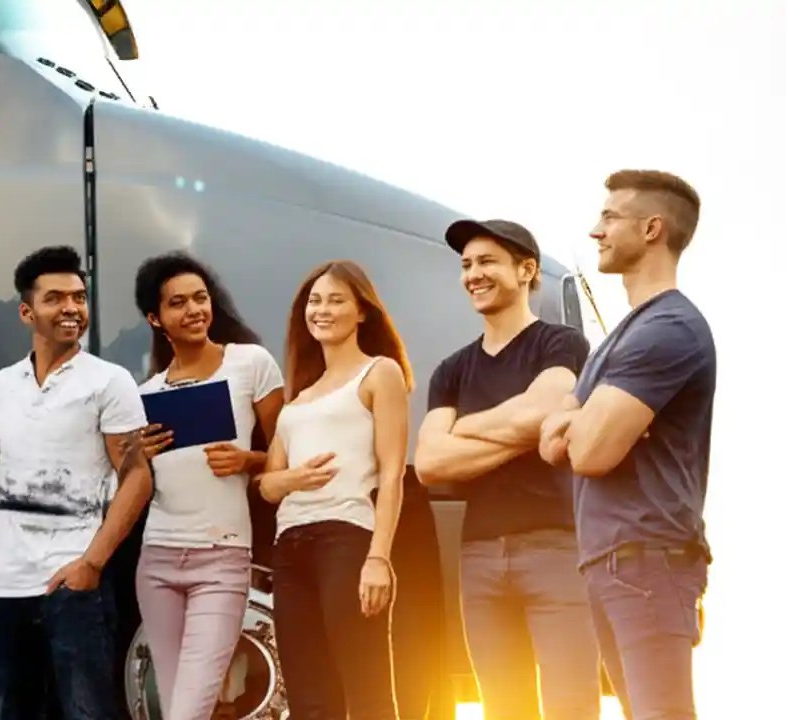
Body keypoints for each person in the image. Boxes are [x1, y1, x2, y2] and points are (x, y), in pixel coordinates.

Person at [540, 170, 714, 720]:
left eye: (611, 217)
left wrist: (581, 421)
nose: (596, 230)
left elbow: (590, 453)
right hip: (612, 559)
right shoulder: (621, 337)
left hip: (647, 559)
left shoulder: (670, 329)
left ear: (653, 229)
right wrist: (585, 419)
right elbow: (554, 437)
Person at [412, 218, 600, 719]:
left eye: (487, 261)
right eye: (467, 264)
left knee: (572, 707)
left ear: (526, 270)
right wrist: (523, 434)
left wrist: (463, 429)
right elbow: (430, 462)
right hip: (478, 558)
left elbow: (541, 414)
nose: (473, 273)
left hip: (557, 549)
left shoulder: (560, 345)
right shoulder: (451, 369)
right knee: (503, 709)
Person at [0, 245, 152, 720]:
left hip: (73, 584)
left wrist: (91, 564)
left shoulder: (110, 382)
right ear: (27, 311)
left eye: (79, 297)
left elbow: (137, 478)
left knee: (87, 711)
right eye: (55, 298)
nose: (71, 308)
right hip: (4, 589)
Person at [132, 252, 286, 719]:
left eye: (201, 298)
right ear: (156, 319)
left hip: (222, 558)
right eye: (178, 303)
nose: (195, 309)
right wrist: (136, 456)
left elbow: (289, 452)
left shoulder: (250, 364)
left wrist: (247, 460)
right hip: (157, 558)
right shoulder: (147, 394)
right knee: (175, 704)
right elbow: (134, 484)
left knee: (189, 709)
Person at [255, 260, 412, 720]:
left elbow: (393, 474)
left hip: (346, 539)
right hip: (290, 548)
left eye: (336, 299)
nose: (322, 309)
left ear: (362, 312)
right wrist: (290, 480)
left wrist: (379, 558)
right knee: (307, 696)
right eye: (315, 301)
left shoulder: (379, 374)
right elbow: (268, 484)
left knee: (365, 687)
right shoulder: (298, 397)